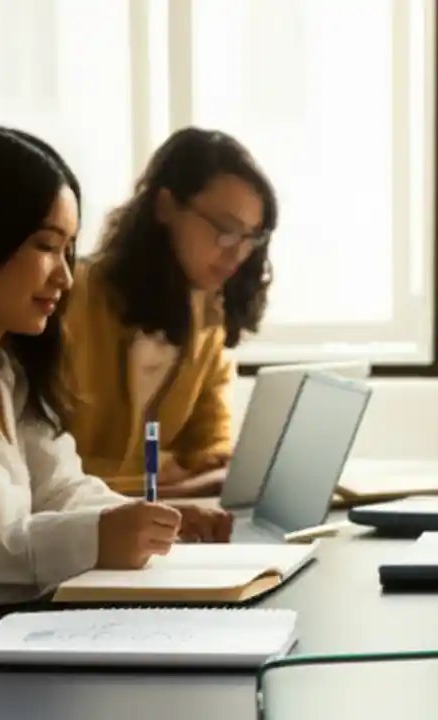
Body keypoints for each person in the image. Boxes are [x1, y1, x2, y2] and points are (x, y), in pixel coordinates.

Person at [0, 125, 231, 635]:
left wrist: (144, 521)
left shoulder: (5, 374)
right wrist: (78, 541)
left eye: (69, 251)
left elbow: (63, 489)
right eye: (47, 246)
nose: (65, 277)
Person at [62, 128, 277, 498]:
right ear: (165, 207)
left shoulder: (207, 320)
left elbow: (212, 450)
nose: (237, 254)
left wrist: (176, 472)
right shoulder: (70, 300)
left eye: (251, 237)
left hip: (151, 522)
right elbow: (43, 470)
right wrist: (159, 472)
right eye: (226, 229)